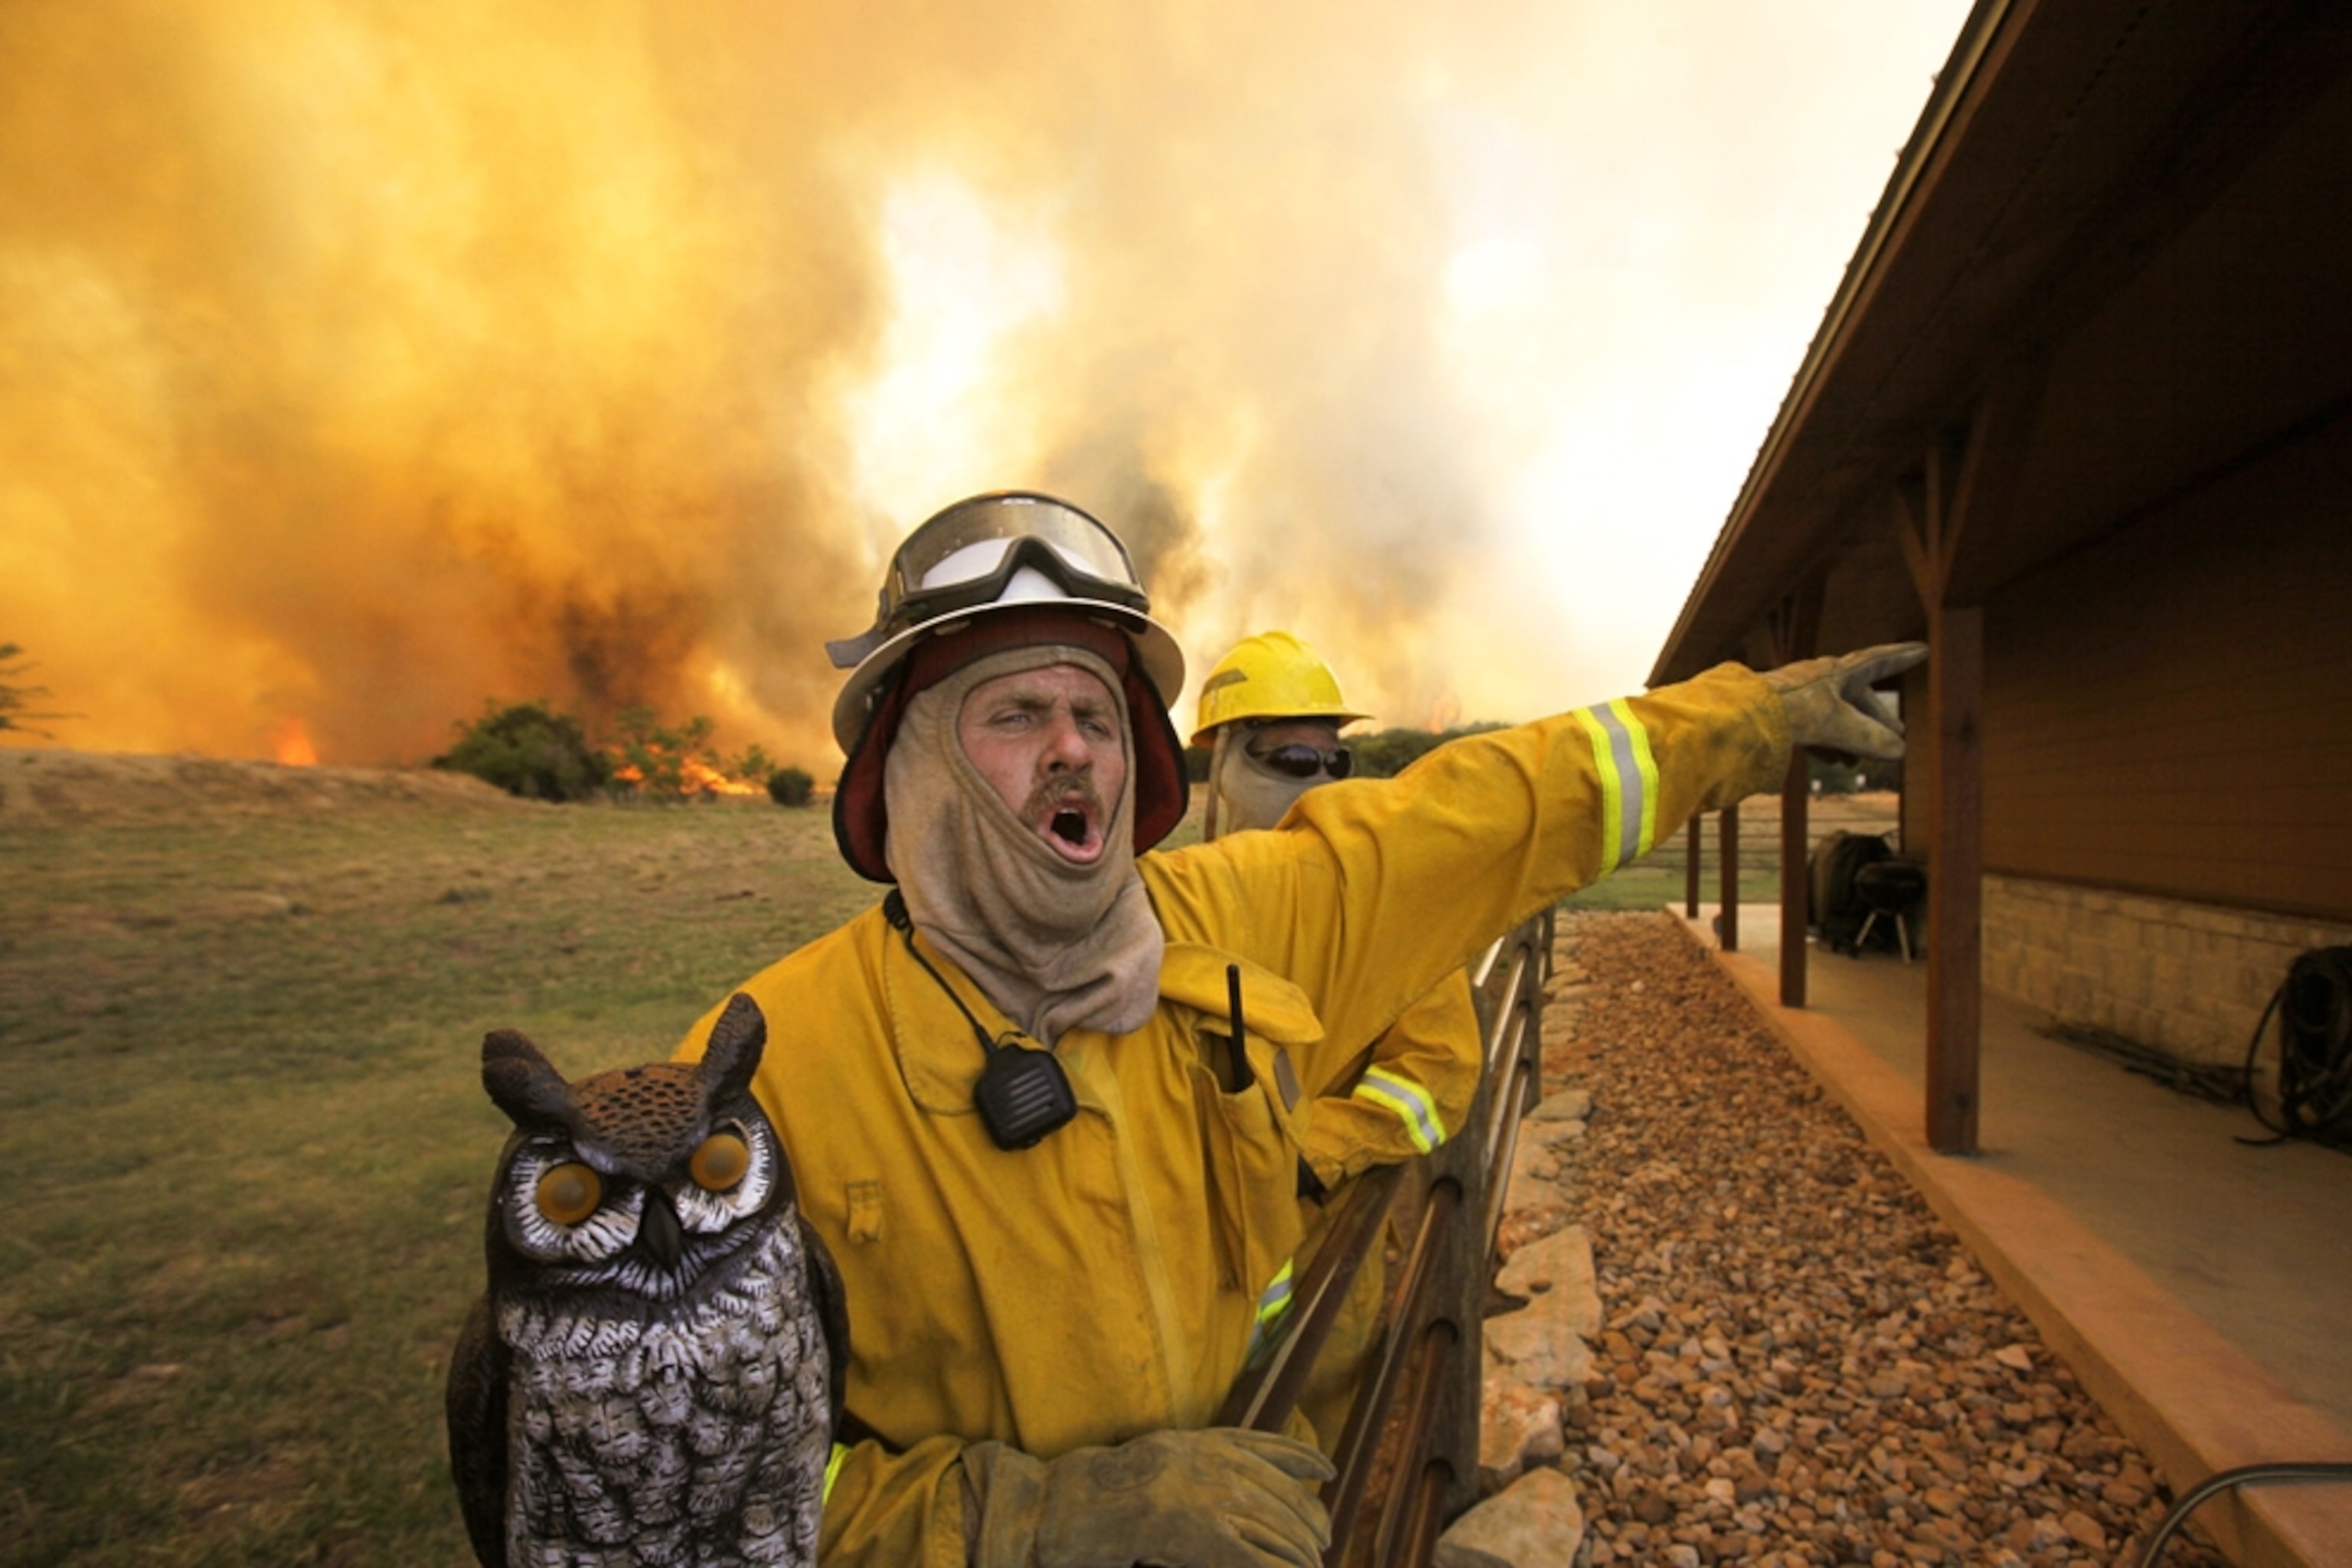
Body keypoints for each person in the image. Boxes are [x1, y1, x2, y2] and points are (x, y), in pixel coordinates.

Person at [675, 490, 1921, 1566]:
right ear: (908, 764)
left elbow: (1481, 813)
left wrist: (1739, 722)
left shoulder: (1236, 918)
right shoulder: (759, 1075)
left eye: (1097, 716)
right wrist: (1038, 1518)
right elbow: (691, 1506)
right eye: (1012, 715)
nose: (1072, 751)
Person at [1191, 629, 1485, 1449]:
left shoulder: (1386, 896)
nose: (1320, 784)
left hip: (1322, 1265)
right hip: (1191, 1272)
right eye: (1293, 759)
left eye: (1334, 763)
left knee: (1312, 1472)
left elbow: (1440, 1069)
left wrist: (1312, 1154)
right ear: (1223, 762)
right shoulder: (1176, 900)